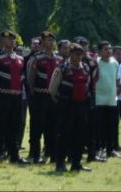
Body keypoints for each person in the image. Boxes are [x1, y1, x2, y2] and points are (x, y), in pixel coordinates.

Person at [49, 43, 94, 173]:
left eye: (80, 54)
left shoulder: (85, 67)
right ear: (70, 54)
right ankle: (60, 163)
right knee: (64, 134)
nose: (78, 57)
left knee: (79, 135)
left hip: (81, 106)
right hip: (66, 106)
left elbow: (88, 84)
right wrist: (59, 102)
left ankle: (76, 163)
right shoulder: (62, 68)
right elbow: (52, 88)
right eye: (75, 54)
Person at [0, 30, 27, 163]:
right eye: (7, 39)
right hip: (1, 95)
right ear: (2, 42)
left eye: (12, 39)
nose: (10, 41)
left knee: (14, 126)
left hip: (16, 97)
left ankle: (13, 154)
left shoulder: (20, 59)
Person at [26, 30, 60, 164]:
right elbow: (30, 78)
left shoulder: (58, 59)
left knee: (53, 126)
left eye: (52, 40)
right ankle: (35, 154)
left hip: (53, 97)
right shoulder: (37, 58)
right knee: (37, 126)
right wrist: (33, 94)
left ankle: (51, 153)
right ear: (42, 43)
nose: (50, 43)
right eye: (47, 40)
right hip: (40, 95)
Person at [92, 41, 119, 161]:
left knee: (111, 126)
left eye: (109, 49)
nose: (108, 51)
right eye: (105, 49)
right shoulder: (96, 63)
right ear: (99, 52)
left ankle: (110, 149)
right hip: (99, 100)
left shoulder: (114, 63)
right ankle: (99, 149)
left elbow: (116, 80)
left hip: (112, 100)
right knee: (99, 127)